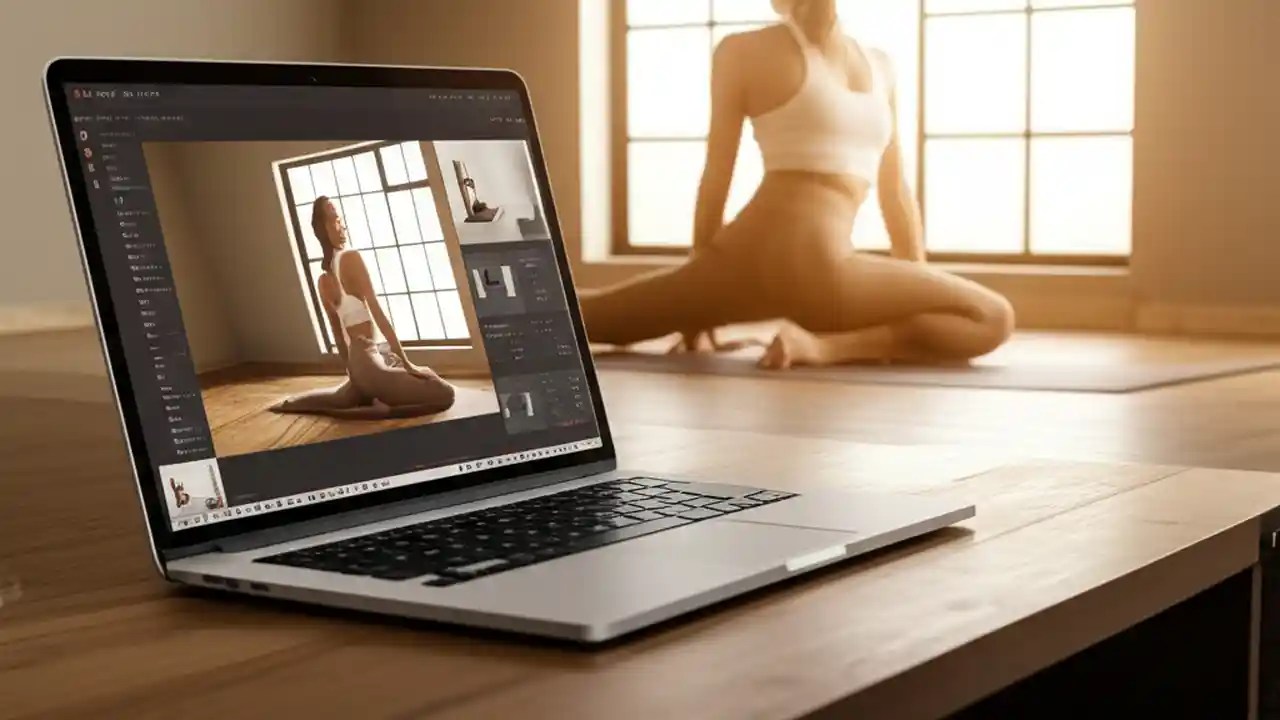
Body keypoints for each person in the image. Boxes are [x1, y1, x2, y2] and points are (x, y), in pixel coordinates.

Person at [580, 0, 1014, 369]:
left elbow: (717, 175)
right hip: (816, 275)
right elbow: (894, 194)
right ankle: (825, 347)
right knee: (992, 316)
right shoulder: (756, 51)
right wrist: (917, 293)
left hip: (743, 265)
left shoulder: (873, 64)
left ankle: (819, 344)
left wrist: (697, 293)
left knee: (583, 318)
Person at [270, 197, 456, 418]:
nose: (342, 225)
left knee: (338, 398)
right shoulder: (350, 258)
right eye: (336, 220)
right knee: (445, 393)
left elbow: (337, 335)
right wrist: (407, 363)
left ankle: (349, 396)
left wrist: (352, 375)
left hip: (360, 366)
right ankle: (381, 410)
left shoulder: (323, 280)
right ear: (325, 229)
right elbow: (377, 312)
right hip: (370, 368)